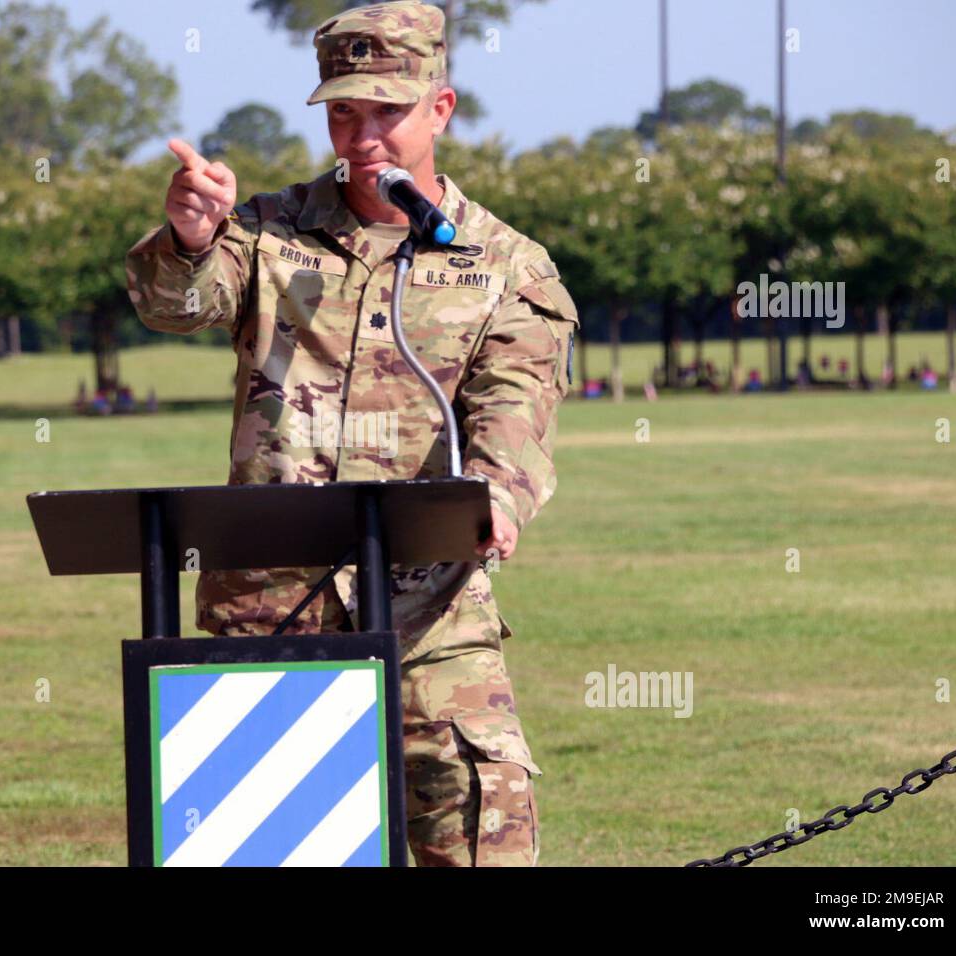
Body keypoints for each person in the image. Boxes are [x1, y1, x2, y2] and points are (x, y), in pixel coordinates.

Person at [124, 0, 578, 868]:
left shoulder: (507, 266)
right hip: (267, 613)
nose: (362, 134)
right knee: (263, 851)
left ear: (440, 109)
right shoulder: (265, 234)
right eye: (342, 110)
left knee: (483, 830)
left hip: (429, 617)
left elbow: (514, 413)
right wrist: (189, 237)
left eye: (387, 111)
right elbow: (175, 303)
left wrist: (494, 494)